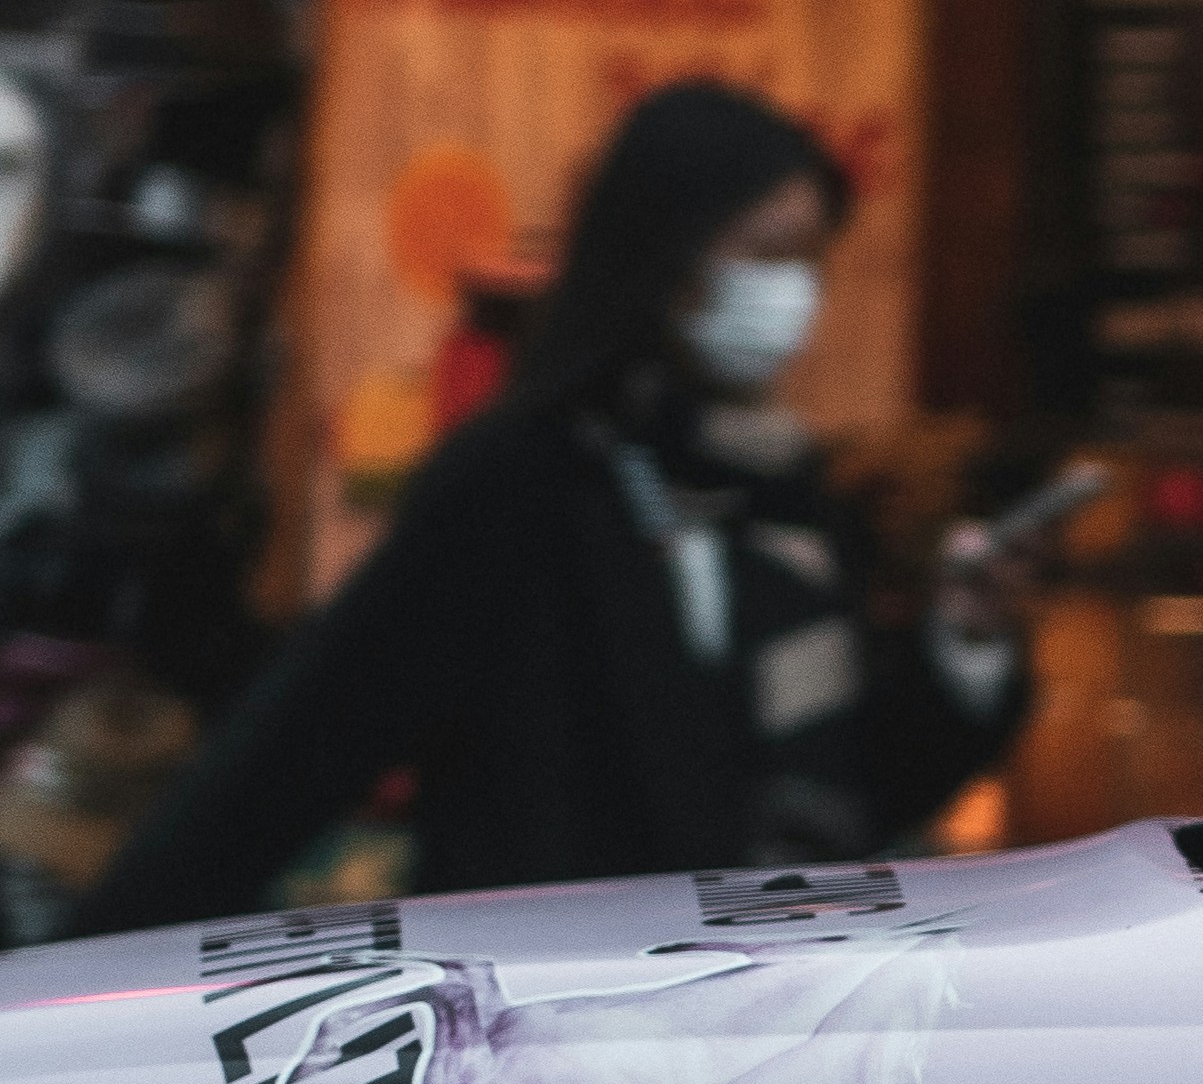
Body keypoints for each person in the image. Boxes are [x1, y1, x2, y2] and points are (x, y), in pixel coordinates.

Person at [85, 78, 1028, 924]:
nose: (793, 296)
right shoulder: (521, 484)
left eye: (812, 261)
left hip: (763, 1037)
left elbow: (852, 787)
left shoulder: (792, 506)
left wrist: (967, 649)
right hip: (549, 1039)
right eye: (765, 255)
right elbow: (299, 750)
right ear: (666, 255)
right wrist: (78, 994)